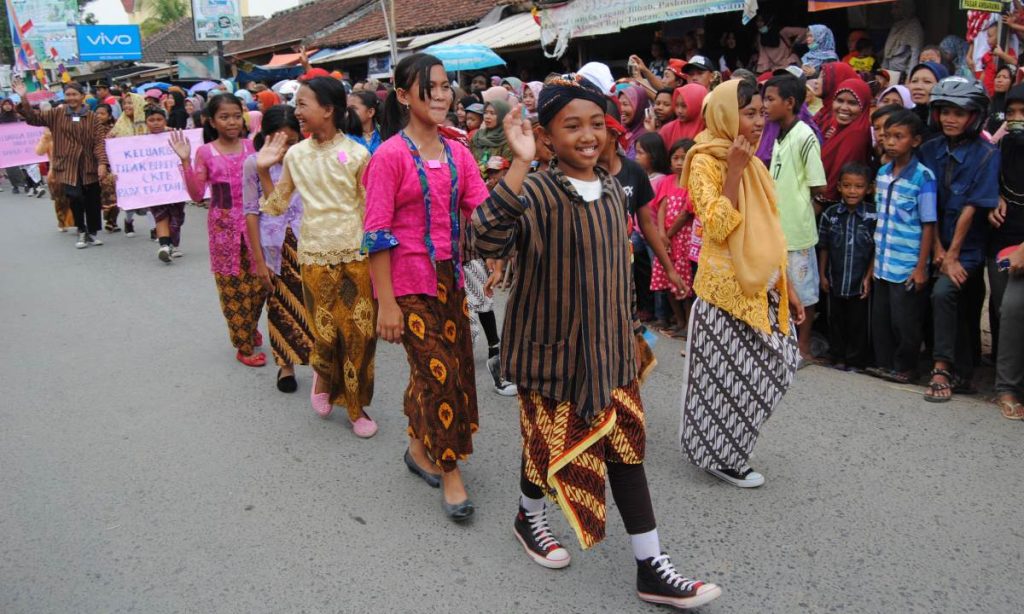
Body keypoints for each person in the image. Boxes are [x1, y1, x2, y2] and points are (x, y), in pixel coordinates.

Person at [473, 75, 721, 609]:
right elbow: (484, 237)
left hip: (611, 356)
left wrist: (629, 334)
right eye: (571, 126)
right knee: (544, 446)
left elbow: (613, 275)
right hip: (550, 356)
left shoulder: (613, 190)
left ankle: (651, 566)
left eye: (595, 125)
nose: (587, 136)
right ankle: (529, 516)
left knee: (627, 451)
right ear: (546, 135)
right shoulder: (536, 190)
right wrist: (519, 163)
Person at [364, 53, 488, 521]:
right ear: (402, 95)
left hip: (450, 280)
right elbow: (376, 234)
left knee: (447, 368)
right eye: (428, 87)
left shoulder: (458, 152)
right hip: (407, 285)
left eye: (444, 86)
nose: (440, 95)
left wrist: (521, 163)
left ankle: (418, 447)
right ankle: (449, 469)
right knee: (441, 375)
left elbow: (484, 208)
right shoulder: (388, 157)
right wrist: (386, 305)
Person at [680, 79, 803, 489]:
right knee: (725, 382)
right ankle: (721, 457)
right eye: (748, 113)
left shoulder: (754, 162)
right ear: (726, 115)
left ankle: (724, 450)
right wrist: (732, 171)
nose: (757, 121)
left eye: (760, 113)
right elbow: (717, 223)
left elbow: (770, 233)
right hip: (722, 293)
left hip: (759, 288)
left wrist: (787, 286)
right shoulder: (704, 160)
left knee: (777, 367)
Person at [256, 78, 377, 434]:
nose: (297, 112)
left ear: (328, 109)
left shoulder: (358, 154)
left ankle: (357, 409)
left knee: (359, 335)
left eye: (303, 104)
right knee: (326, 335)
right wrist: (264, 169)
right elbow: (276, 206)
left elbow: (371, 208)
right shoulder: (295, 155)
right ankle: (323, 380)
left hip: (355, 255)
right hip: (314, 256)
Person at [171, 94, 266, 367]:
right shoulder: (205, 152)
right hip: (223, 229)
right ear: (212, 121)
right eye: (224, 117)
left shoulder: (252, 147)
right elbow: (197, 193)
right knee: (232, 287)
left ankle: (248, 325)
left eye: (236, 115)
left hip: (256, 224)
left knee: (260, 284)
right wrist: (186, 162)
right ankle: (243, 345)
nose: (232, 122)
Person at [919, 77, 999, 402]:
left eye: (959, 113)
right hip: (933, 241)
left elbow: (970, 207)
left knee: (946, 293)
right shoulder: (928, 149)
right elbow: (929, 203)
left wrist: (951, 255)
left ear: (975, 116)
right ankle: (958, 365)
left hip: (968, 249)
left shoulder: (986, 154)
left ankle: (943, 367)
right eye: (945, 112)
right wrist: (937, 248)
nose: (950, 119)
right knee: (936, 297)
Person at [242, 105, 314, 394]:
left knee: (314, 305)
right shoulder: (253, 163)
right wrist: (259, 261)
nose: (284, 148)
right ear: (266, 136)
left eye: (291, 141)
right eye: (278, 140)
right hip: (273, 245)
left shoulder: (309, 160)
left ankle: (321, 366)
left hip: (309, 240)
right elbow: (250, 212)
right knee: (280, 306)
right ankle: (286, 365)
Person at [868, 109, 936, 384]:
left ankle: (906, 366)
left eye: (899, 137)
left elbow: (929, 223)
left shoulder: (923, 177)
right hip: (884, 261)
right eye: (887, 137)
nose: (891, 142)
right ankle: (885, 364)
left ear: (915, 141)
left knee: (904, 320)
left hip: (907, 263)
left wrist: (921, 267)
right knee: (882, 318)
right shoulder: (883, 173)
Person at [764, 75, 827, 362]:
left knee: (804, 290)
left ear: (789, 103)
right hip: (777, 225)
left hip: (797, 227)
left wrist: (803, 210)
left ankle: (804, 347)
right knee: (780, 286)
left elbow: (818, 184)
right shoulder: (776, 133)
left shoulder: (805, 135)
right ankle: (784, 342)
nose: (765, 105)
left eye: (770, 99)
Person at [14, 80, 110, 249]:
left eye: (75, 94)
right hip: (66, 165)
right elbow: (32, 118)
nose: (71, 98)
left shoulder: (93, 118)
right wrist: (24, 98)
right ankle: (81, 230)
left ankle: (92, 233)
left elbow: (99, 143)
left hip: (88, 165)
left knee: (92, 199)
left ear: (82, 96)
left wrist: (102, 163)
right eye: (68, 95)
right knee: (75, 197)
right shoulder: (55, 114)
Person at [817, 162, 876, 371]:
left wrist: (869, 276)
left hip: (859, 281)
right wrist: (823, 275)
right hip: (835, 279)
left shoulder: (872, 216)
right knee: (836, 320)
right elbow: (823, 246)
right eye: (848, 186)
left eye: (859, 186)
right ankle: (838, 357)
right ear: (839, 186)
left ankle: (856, 361)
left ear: (869, 188)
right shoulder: (830, 215)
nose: (853, 191)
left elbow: (874, 250)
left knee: (858, 322)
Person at [988, 83, 1024, 419]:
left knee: (1015, 307)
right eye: (1011, 113)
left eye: (1023, 113)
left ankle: (1009, 385)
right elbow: (983, 182)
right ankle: (1006, 385)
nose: (1016, 120)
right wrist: (992, 198)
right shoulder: (1000, 150)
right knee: (1004, 311)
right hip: (1000, 243)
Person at [648, 139, 696, 336]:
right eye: (675, 158)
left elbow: (685, 214)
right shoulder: (666, 181)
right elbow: (661, 207)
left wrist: (668, 234)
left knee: (684, 281)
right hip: (666, 240)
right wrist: (660, 233)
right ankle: (679, 320)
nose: (679, 162)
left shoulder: (692, 182)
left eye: (684, 158)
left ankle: (687, 325)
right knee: (666, 280)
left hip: (683, 238)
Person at [819, 78, 874, 205]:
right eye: (839, 101)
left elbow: (839, 174)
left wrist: (818, 204)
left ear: (863, 107)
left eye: (852, 103)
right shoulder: (837, 128)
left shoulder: (856, 134)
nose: (843, 107)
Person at [657, 84, 708, 149]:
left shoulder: (709, 129)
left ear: (698, 104)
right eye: (676, 105)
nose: (679, 111)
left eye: (684, 106)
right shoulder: (668, 130)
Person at [470, 100, 513, 175]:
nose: (487, 117)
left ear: (502, 116)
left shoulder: (508, 139)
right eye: (485, 113)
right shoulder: (477, 135)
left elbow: (508, 167)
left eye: (492, 113)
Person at [907, 62, 949, 139]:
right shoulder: (904, 118)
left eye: (927, 82)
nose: (918, 87)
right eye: (914, 81)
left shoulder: (949, 121)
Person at [882, 0, 924, 76]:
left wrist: (910, 76)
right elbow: (887, 53)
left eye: (896, 8)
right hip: (890, 70)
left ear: (905, 8)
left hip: (903, 73)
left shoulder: (913, 27)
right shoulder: (896, 26)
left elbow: (915, 54)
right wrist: (883, 73)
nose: (892, 11)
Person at [618, 85, 649, 159]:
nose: (621, 109)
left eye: (625, 104)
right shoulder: (618, 131)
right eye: (619, 104)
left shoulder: (645, 137)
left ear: (639, 106)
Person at [986, 65, 1014, 134]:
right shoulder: (989, 101)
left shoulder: (1013, 103)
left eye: (1005, 77)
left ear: (1012, 81)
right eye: (998, 77)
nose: (999, 80)